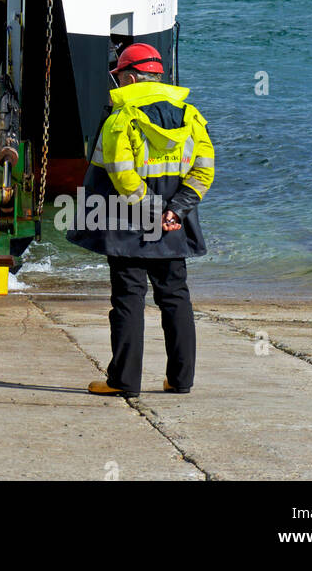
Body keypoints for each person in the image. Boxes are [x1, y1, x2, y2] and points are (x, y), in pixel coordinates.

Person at [67, 44, 215, 397]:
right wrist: (175, 210)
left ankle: (124, 381)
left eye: (118, 78)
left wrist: (150, 210)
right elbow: (204, 169)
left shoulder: (122, 117)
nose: (116, 84)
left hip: (127, 224)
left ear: (130, 77)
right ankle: (180, 380)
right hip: (173, 225)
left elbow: (121, 173)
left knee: (128, 299)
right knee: (175, 297)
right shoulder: (190, 116)